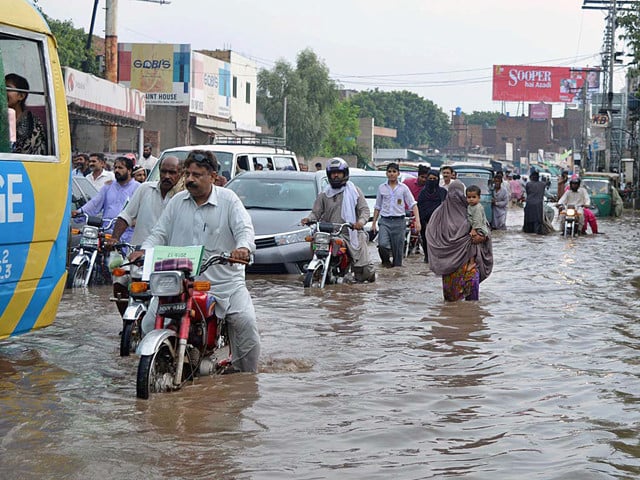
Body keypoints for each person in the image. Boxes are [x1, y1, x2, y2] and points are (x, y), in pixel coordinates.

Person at [133, 150, 260, 373]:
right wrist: (144, 250)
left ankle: (244, 377)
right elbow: (158, 234)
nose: (190, 179)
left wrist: (242, 248)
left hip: (224, 284)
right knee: (148, 322)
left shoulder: (229, 200)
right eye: (188, 174)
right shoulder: (176, 202)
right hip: (180, 282)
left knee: (246, 325)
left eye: (197, 175)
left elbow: (245, 230)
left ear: (212, 176)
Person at [301, 157, 376, 283]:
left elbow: (364, 210)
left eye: (338, 173)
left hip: (351, 233)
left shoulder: (355, 191)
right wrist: (308, 219)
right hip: (329, 233)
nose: (335, 175)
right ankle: (316, 270)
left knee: (364, 270)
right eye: (333, 173)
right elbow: (316, 213)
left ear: (344, 174)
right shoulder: (324, 194)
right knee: (314, 242)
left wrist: (360, 223)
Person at [426, 180, 493, 302]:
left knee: (472, 303)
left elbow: (485, 228)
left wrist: (481, 237)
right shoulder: (439, 214)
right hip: (449, 265)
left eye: (459, 193)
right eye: (452, 193)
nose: (455, 196)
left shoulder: (472, 210)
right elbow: (431, 236)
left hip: (470, 263)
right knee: (452, 301)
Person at [108, 156, 183, 247]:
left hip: (165, 256)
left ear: (180, 174)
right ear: (159, 171)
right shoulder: (145, 188)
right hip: (137, 254)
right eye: (164, 171)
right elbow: (126, 216)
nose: (167, 176)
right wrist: (114, 238)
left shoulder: (182, 198)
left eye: (172, 172)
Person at [72, 156, 140, 243]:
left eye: (120, 168)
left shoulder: (138, 188)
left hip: (128, 233)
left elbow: (144, 211)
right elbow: (94, 203)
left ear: (129, 171)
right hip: (107, 230)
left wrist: (136, 221)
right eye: (115, 168)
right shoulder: (108, 186)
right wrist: (79, 212)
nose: (116, 170)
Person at [371, 162, 420, 268]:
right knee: (383, 245)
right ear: (386, 174)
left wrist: (417, 221)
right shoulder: (381, 188)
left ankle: (395, 274)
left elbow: (413, 204)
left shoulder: (404, 188)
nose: (391, 174)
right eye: (389, 171)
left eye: (394, 172)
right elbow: (377, 206)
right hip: (385, 221)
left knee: (398, 254)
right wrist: (374, 223)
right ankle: (385, 262)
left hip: (399, 222)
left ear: (398, 173)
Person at [5, 73, 47, 155]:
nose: (2, 92)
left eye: (8, 88)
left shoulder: (32, 123)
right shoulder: (4, 118)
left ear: (21, 96)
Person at [417, 169, 447, 263]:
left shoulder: (442, 192)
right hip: (425, 222)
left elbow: (446, 207)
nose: (432, 180)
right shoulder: (423, 193)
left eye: (435, 178)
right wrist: (422, 222)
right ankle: (427, 257)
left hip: (439, 222)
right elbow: (420, 207)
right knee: (426, 240)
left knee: (438, 241)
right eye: (430, 179)